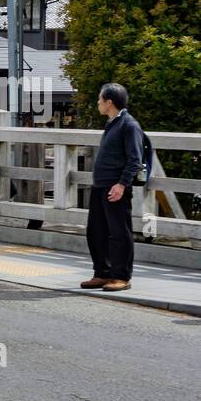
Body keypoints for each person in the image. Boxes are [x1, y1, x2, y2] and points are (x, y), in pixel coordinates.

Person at [82, 83, 142, 293]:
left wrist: (122, 184)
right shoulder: (112, 123)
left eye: (100, 99)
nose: (98, 103)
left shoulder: (129, 125)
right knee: (95, 232)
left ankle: (121, 276)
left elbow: (135, 159)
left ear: (109, 102)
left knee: (119, 233)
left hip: (116, 188)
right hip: (100, 186)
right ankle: (102, 273)